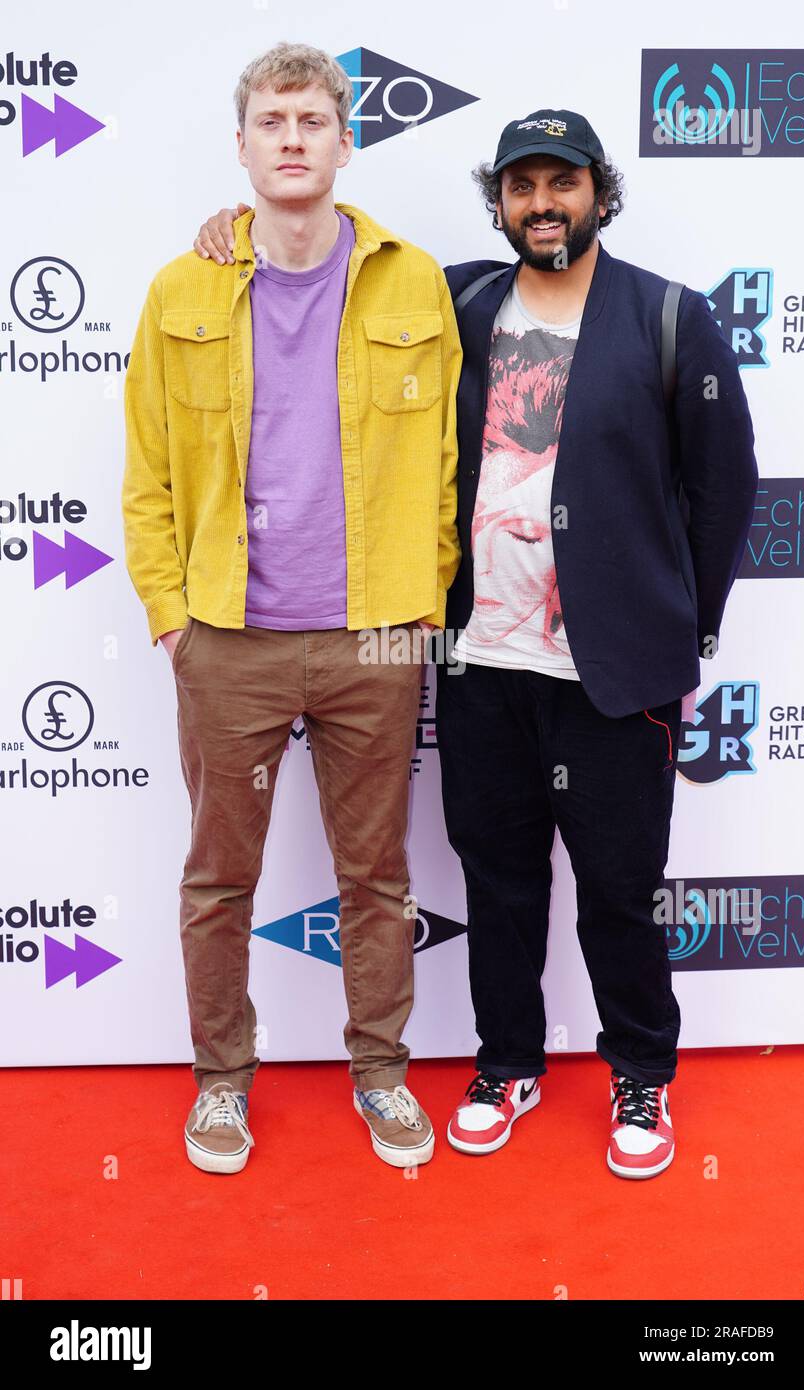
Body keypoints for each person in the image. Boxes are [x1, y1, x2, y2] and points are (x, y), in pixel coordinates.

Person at [192, 107, 759, 1180]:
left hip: (612, 674)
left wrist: (682, 624)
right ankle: (506, 1063)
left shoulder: (667, 317)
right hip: (476, 662)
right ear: (495, 202)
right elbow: (330, 253)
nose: (541, 205)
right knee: (496, 881)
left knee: (619, 889)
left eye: (561, 184)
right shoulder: (453, 301)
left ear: (598, 190)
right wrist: (234, 225)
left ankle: (640, 1071)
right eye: (519, 187)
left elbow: (720, 488)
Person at [121, 42, 462, 1175]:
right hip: (229, 638)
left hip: (374, 632)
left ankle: (380, 1075)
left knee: (377, 877)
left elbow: (447, 459)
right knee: (220, 878)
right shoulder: (183, 286)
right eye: (272, 120)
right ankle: (221, 1084)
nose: (292, 138)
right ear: (243, 146)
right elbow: (149, 470)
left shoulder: (409, 280)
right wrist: (173, 616)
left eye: (313, 119)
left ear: (344, 139)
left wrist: (423, 599)